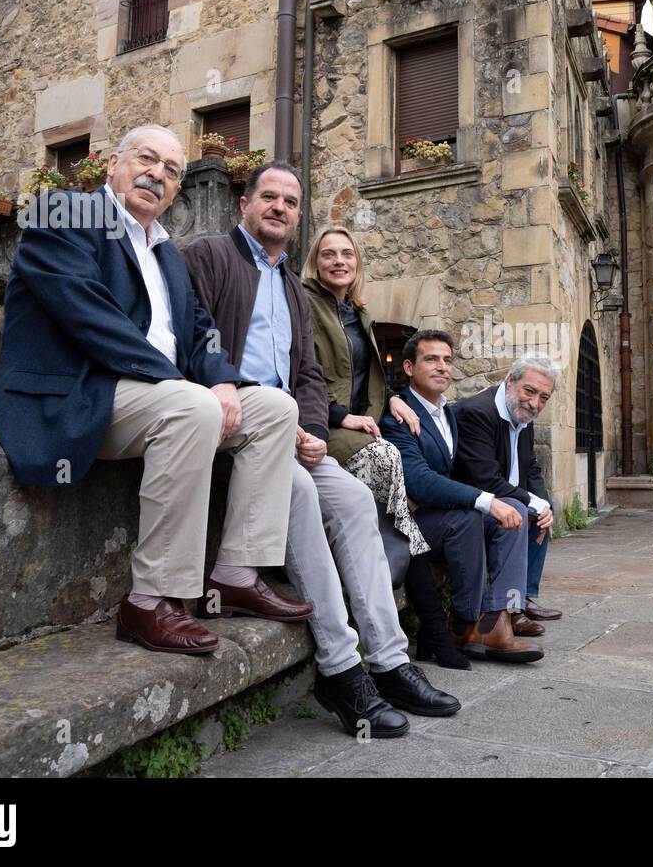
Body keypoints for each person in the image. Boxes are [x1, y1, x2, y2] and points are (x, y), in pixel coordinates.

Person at [0, 125, 310, 656]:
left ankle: (236, 574)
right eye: (147, 159)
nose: (157, 174)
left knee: (273, 408)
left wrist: (221, 377)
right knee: (194, 406)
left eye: (172, 171)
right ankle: (151, 601)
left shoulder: (168, 254)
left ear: (176, 191)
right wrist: (182, 383)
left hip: (151, 396)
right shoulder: (68, 214)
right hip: (76, 394)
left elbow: (200, 331)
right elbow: (89, 317)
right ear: (111, 165)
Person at [182, 161, 457, 737]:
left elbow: (307, 375)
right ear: (245, 204)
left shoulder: (288, 287)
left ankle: (389, 658)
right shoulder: (208, 256)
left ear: (297, 214)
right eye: (269, 197)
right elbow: (192, 338)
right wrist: (229, 390)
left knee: (356, 499)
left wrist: (309, 430)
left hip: (291, 432)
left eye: (290, 201)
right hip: (232, 422)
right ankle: (340, 667)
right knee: (303, 494)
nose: (279, 207)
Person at [300, 226, 470, 668]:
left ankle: (429, 626)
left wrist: (394, 397)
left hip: (365, 422)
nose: (339, 261)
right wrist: (341, 416)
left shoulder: (360, 313)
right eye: (329, 254)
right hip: (324, 423)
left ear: (357, 264)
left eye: (347, 255)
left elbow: (373, 375)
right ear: (315, 262)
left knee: (390, 477)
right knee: (388, 459)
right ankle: (428, 623)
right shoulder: (302, 301)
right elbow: (304, 373)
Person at [381, 330, 544, 663]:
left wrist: (507, 502)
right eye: (432, 359)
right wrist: (484, 499)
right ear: (409, 368)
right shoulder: (398, 415)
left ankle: (499, 616)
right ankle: (465, 623)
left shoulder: (448, 413)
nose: (442, 367)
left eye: (447, 360)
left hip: (440, 513)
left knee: (513, 510)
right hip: (409, 520)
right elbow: (419, 481)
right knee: (470, 516)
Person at [452, 351, 562, 623]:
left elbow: (531, 467)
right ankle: (505, 611)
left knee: (539, 515)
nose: (535, 403)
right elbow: (483, 479)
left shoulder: (522, 411)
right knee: (521, 510)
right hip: (473, 501)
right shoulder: (478, 412)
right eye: (530, 391)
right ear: (511, 380)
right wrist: (532, 502)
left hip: (506, 496)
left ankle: (521, 597)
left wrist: (544, 504)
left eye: (544, 398)